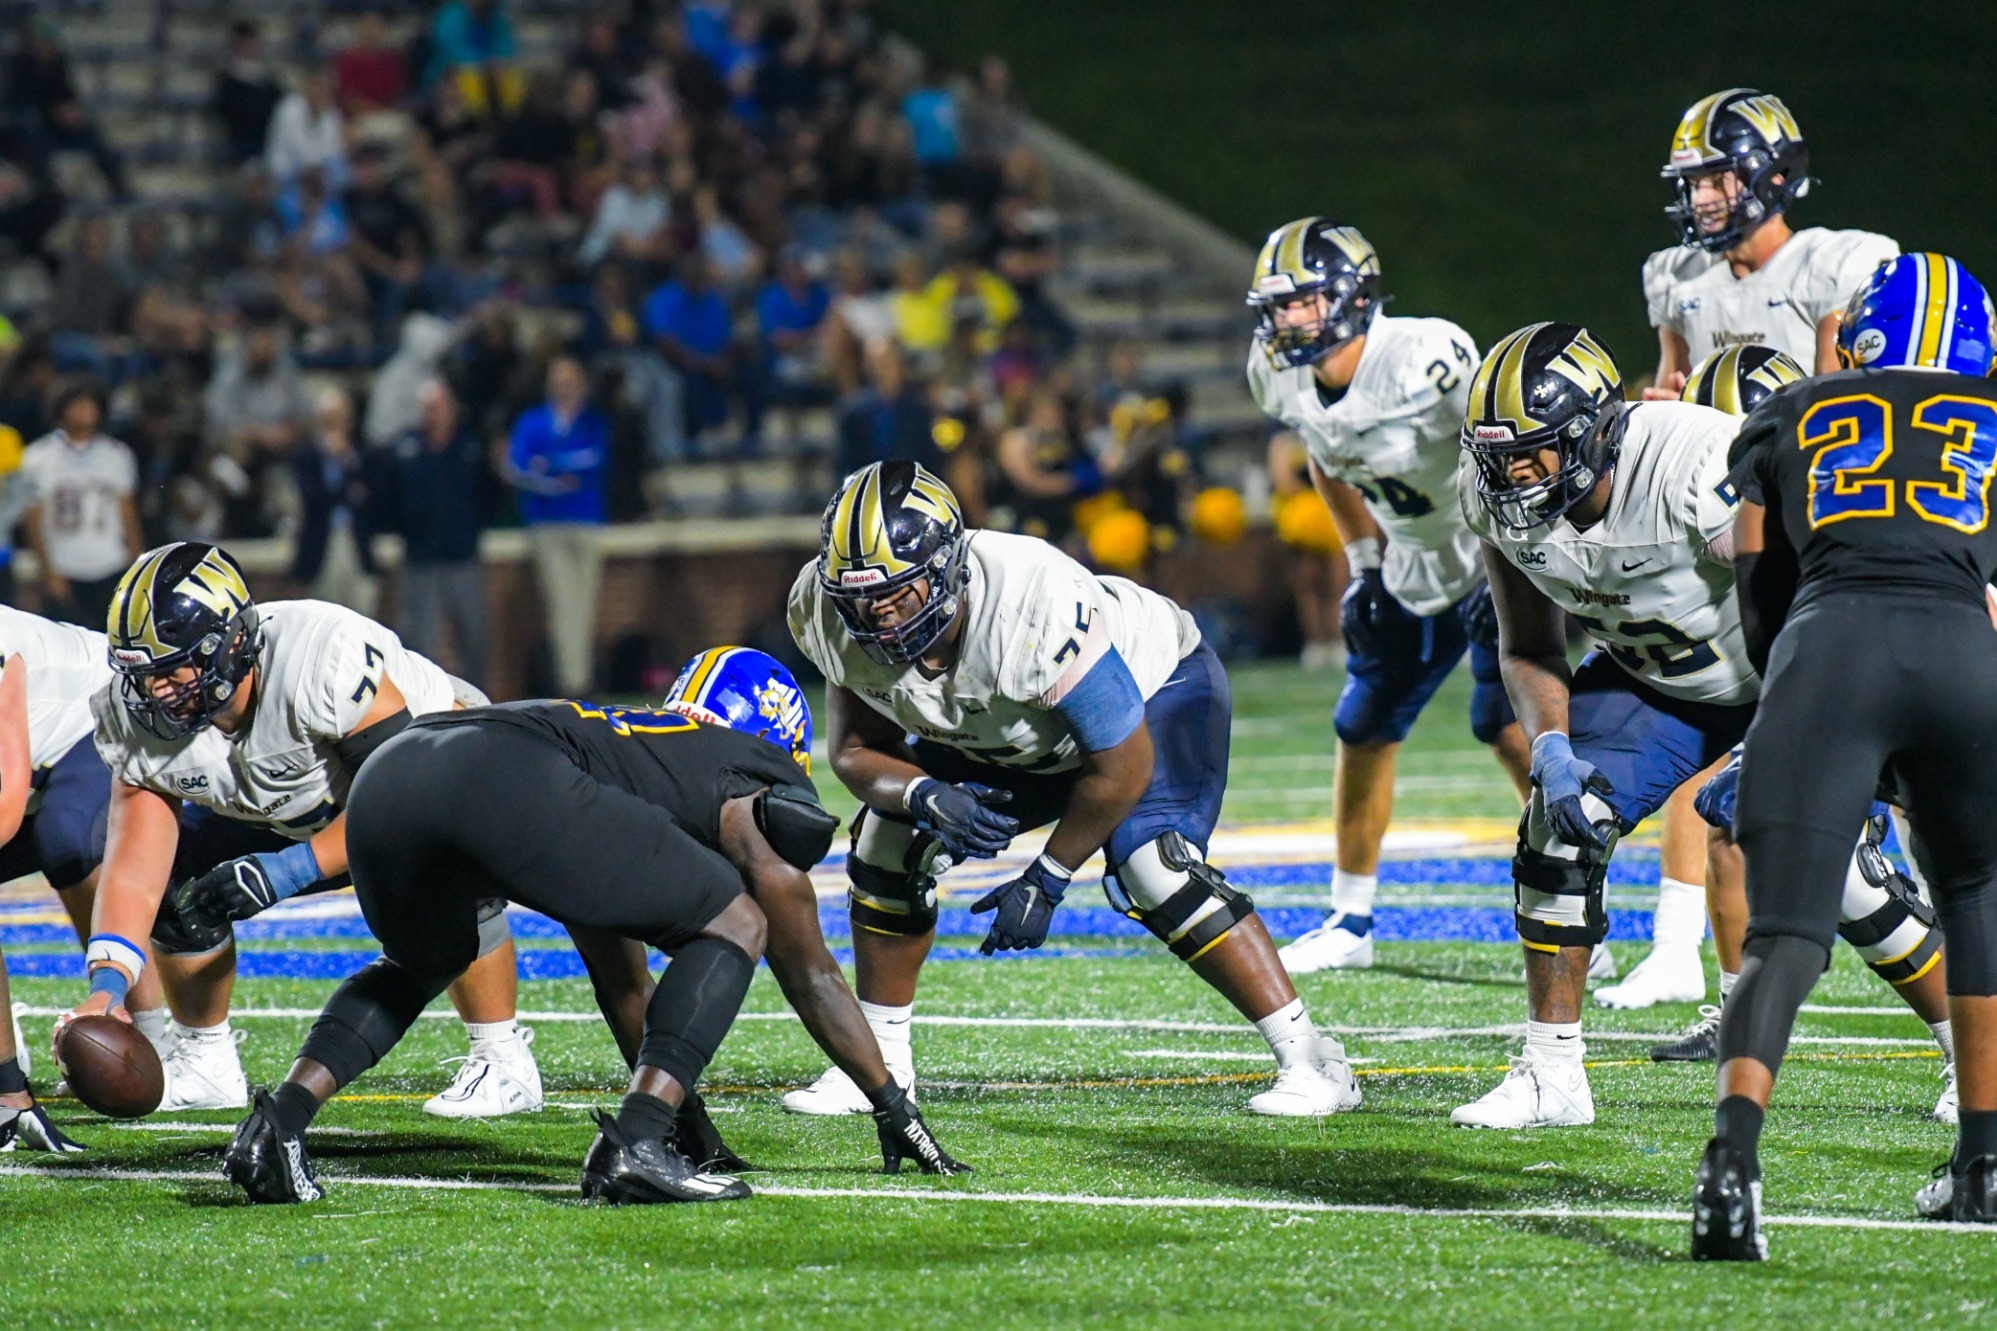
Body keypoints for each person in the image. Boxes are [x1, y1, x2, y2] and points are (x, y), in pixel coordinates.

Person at [221, 648, 968, 1204]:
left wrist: (689, 1122)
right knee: (737, 920)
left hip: (391, 774)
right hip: (496, 773)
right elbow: (807, 968)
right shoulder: (743, 773)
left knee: (424, 957)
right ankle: (637, 1145)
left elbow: (623, 981)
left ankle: (277, 1124)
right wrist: (892, 1103)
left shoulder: (622, 759)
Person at [783, 460, 1361, 1119]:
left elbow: (1120, 763)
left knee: (1152, 864)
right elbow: (856, 750)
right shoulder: (825, 614)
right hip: (1004, 732)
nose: (876, 614)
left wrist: (1047, 876)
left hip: (1152, 694)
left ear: (946, 567)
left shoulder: (1031, 597)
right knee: (888, 835)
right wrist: (925, 796)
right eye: (860, 597)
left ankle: (1312, 1059)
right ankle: (877, 1064)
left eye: (898, 591)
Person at [56, 544, 621, 1118]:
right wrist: (108, 988)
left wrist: (288, 870)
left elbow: (407, 799)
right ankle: (205, 1060)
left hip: (433, 768)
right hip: (285, 804)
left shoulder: (317, 656)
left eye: (172, 668)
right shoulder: (133, 717)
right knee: (182, 882)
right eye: (142, 675)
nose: (154, 693)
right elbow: (134, 869)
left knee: (447, 863)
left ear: (228, 645)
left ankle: (502, 1058)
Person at [1693, 255, 1997, 1255]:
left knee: (1782, 934)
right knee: (1975, 894)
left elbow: (1754, 586)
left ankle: (1729, 1163)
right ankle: (1982, 1166)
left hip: (1825, 649)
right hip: (1964, 658)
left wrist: (1798, 713)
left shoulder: (1791, 409)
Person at [1615, 89, 1901, 1010]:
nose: (1702, 197)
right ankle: (1677, 945)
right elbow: (1665, 386)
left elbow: (1841, 390)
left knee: (1868, 748)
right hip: (1728, 514)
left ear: (1773, 176)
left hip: (1824, 514)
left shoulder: (1832, 265)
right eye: (1692, 180)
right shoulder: (1680, 279)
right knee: (1703, 704)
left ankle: (1912, 909)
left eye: (1718, 175)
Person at [1648, 346, 1958, 1131]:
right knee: (1736, 839)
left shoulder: (1835, 483)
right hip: (1824, 676)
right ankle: (1734, 1008)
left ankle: (1963, 1045)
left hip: (1895, 670)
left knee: (1920, 867)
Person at [1452, 323, 1749, 1129]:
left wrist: (1786, 732)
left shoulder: (1694, 460)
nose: (1509, 476)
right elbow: (1527, 645)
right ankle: (1553, 1074)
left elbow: (1812, 595)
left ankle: (1963, 1061)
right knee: (1556, 829)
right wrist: (1548, 746)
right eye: (1495, 456)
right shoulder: (1491, 496)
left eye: (1531, 453)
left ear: (1591, 435)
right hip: (1654, 681)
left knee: (1857, 884)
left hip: (1784, 673)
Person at [1244, 219, 1529, 971]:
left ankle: (1571, 902)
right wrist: (1364, 562)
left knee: (1506, 725)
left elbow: (1502, 452)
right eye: (1277, 306)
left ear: (1349, 297)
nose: (1286, 321)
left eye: (1302, 302)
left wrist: (1503, 562)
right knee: (1362, 725)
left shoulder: (1424, 356)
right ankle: (1350, 918)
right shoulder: (1275, 371)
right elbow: (1324, 454)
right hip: (1407, 556)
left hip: (1486, 543)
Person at [506, 357, 609, 696]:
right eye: (558, 380)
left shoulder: (592, 421)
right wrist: (555, 477)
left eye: (570, 379)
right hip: (547, 524)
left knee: (584, 606)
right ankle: (573, 686)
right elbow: (519, 467)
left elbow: (595, 459)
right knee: (561, 605)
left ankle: (579, 681)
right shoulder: (532, 422)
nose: (564, 386)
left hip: (586, 520)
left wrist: (550, 464)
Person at [384, 381, 493, 689]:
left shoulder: (469, 447)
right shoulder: (405, 450)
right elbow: (389, 498)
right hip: (421, 559)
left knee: (474, 636)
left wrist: (470, 531)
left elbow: (488, 495)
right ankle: (425, 706)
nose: (434, 414)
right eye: (429, 408)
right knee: (421, 641)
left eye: (440, 407)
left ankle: (477, 703)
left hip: (462, 556)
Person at [20, 382, 143, 629]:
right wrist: (48, 570)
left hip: (110, 562)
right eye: (77, 405)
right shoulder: (38, 456)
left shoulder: (117, 454)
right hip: (65, 564)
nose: (85, 412)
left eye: (90, 405)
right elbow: (33, 520)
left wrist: (137, 565)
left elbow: (128, 515)